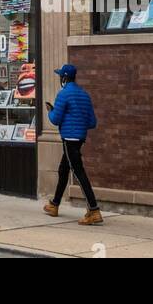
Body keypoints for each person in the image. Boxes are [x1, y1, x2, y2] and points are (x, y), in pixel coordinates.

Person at [43, 62, 102, 225]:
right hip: (80, 138)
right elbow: (92, 122)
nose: (60, 78)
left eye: (60, 76)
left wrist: (50, 111)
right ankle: (54, 204)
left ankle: (94, 210)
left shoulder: (64, 94)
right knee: (63, 170)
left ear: (64, 78)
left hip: (69, 138)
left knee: (78, 172)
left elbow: (55, 119)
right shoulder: (84, 94)